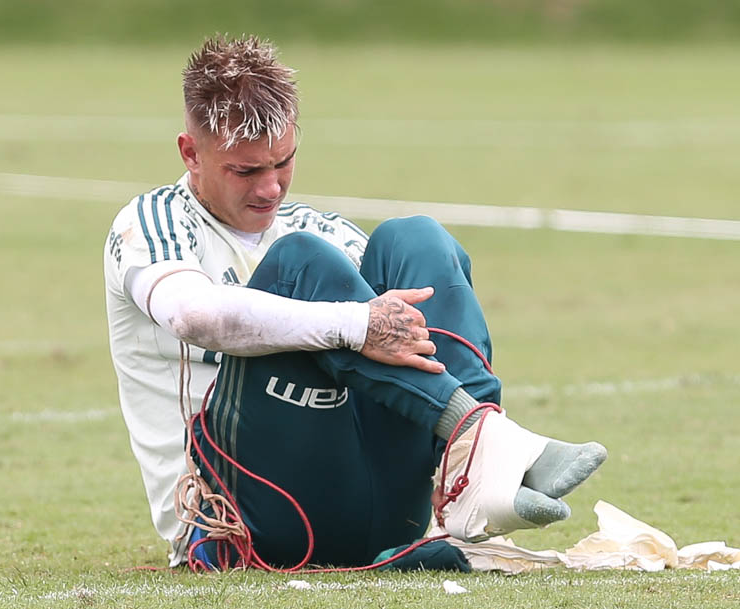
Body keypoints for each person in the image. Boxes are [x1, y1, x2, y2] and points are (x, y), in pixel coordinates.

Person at [103, 34, 606, 570]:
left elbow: (420, 316)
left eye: (284, 162)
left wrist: (374, 323)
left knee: (415, 238)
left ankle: (472, 463)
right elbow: (194, 315)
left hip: (377, 504)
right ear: (190, 153)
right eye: (246, 170)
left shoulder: (313, 226)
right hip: (246, 518)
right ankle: (485, 442)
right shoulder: (155, 224)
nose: (272, 188)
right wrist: (357, 323)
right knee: (302, 264)